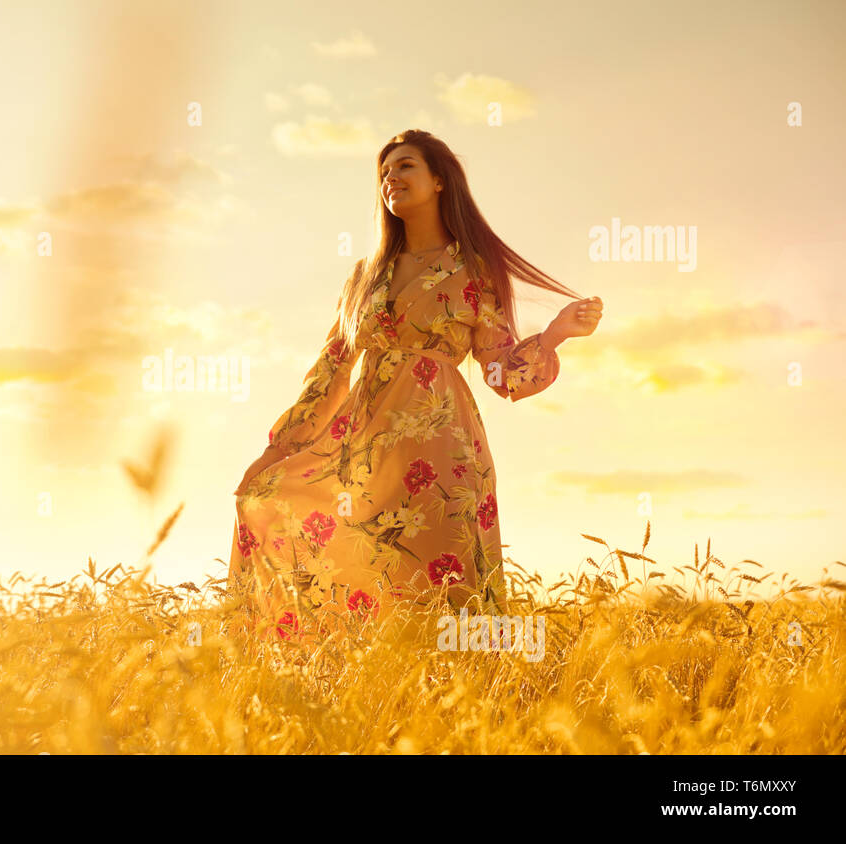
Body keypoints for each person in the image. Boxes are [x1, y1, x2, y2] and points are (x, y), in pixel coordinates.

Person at [228, 129, 603, 644]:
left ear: (439, 181)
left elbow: (498, 373)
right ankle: (348, 687)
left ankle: (466, 704)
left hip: (442, 448)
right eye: (384, 173)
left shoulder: (474, 271)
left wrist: (556, 334)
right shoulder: (365, 275)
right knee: (343, 547)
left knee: (445, 581)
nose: (391, 179)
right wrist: (279, 449)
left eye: (404, 167)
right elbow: (332, 368)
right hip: (364, 447)